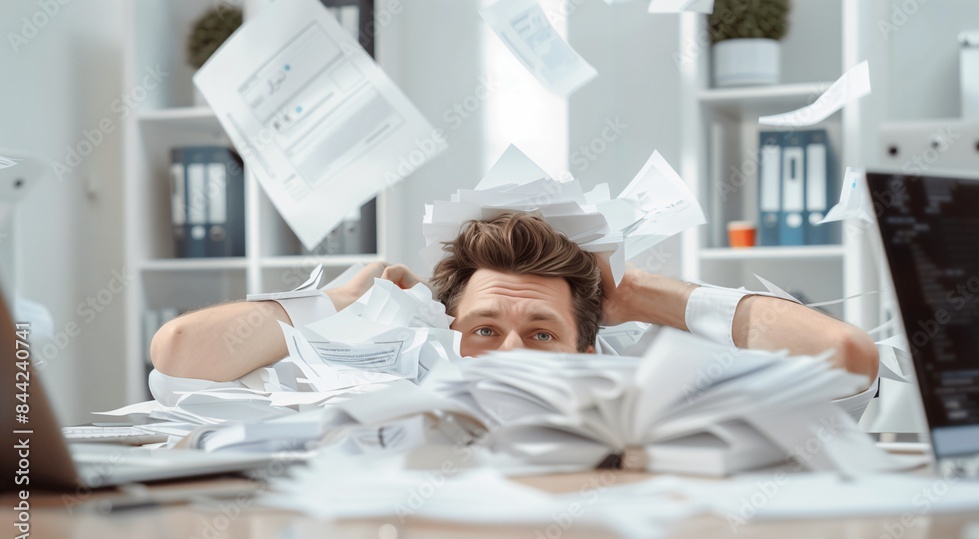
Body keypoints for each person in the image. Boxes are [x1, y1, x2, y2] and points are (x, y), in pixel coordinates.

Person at [151, 213, 879, 383]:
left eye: (541, 333)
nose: (508, 354)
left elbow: (846, 355)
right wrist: (338, 300)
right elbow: (180, 352)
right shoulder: (403, 376)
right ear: (446, 334)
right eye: (483, 330)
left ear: (586, 349)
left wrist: (641, 294)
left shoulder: (633, 384)